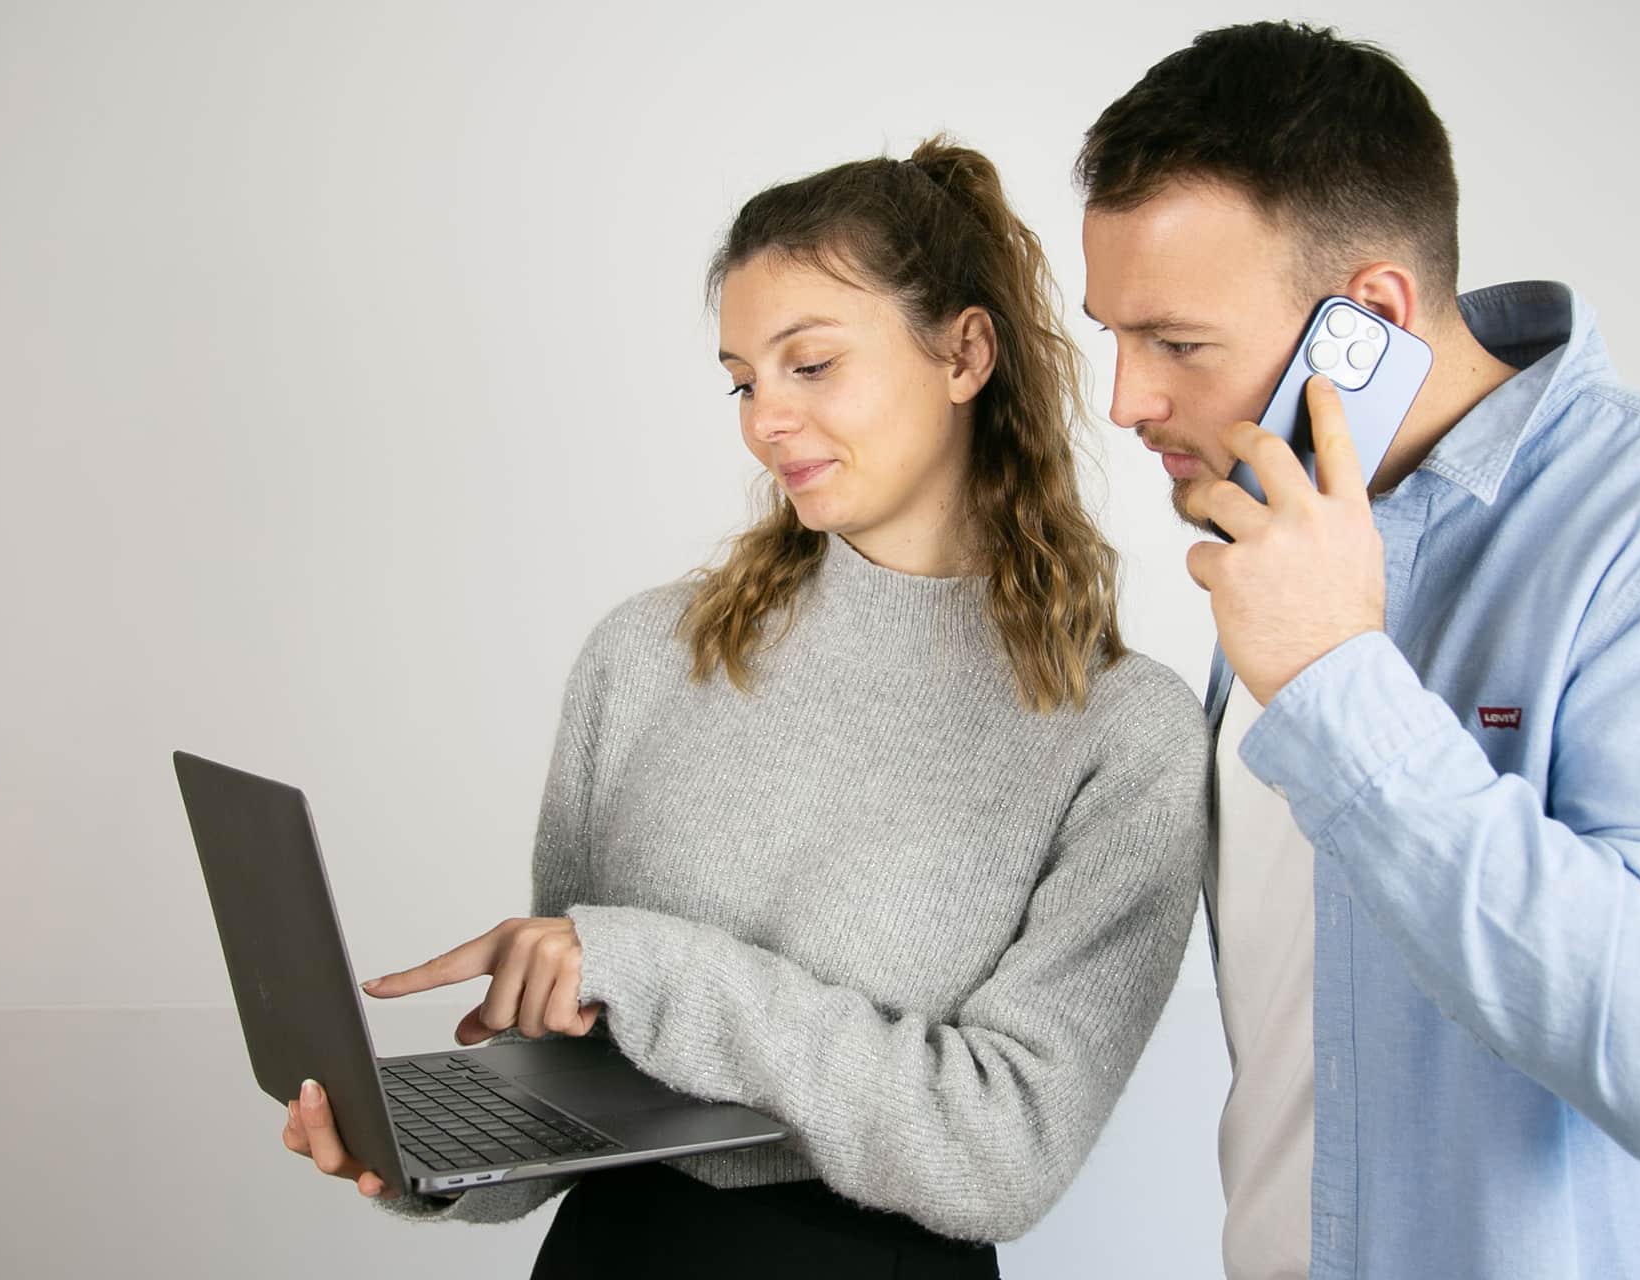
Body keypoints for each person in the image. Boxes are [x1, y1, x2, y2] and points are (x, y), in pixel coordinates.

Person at [276, 135, 1210, 1278]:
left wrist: (654, 965)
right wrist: (425, 1160)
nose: (765, 418)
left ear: (966, 353)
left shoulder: (1124, 734)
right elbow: (582, 1075)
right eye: (741, 378)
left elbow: (1002, 1155)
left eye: (809, 364)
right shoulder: (645, 655)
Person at [1077, 21, 1640, 1280]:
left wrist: (1338, 681)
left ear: (1366, 319)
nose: (1126, 401)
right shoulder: (1273, 557)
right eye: (1114, 334)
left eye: (1176, 341)